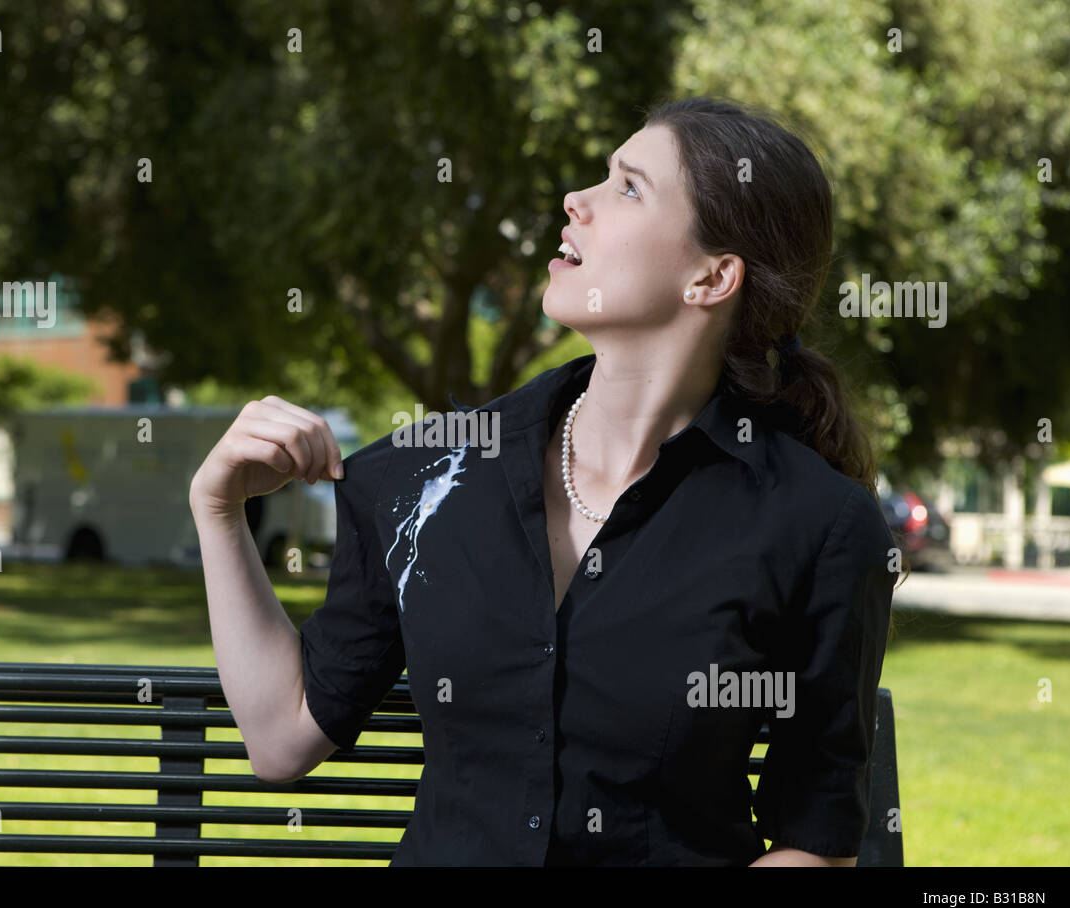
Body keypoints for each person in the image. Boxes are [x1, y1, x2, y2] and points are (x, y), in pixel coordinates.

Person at [189, 96, 902, 867]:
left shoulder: (819, 527)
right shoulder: (424, 474)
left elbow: (815, 839)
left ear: (712, 276)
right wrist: (217, 511)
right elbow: (282, 736)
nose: (576, 200)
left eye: (628, 188)